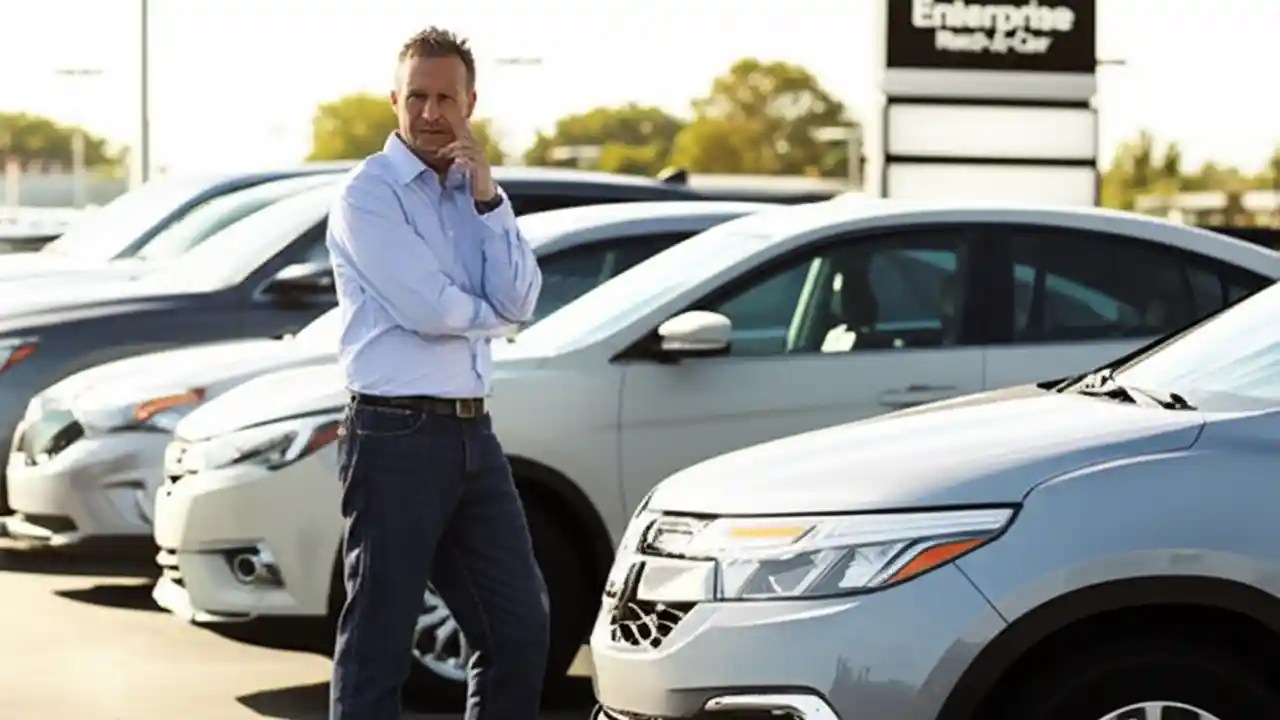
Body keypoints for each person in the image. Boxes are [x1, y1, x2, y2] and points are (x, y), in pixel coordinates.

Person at [324, 26, 548, 720]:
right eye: (416, 96)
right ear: (393, 100)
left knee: (519, 630)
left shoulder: (471, 193)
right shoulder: (370, 193)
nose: (429, 112)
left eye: (444, 97)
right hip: (394, 436)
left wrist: (487, 195)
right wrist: (499, 319)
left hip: (471, 437)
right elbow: (431, 310)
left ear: (469, 103)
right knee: (379, 645)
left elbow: (521, 294)